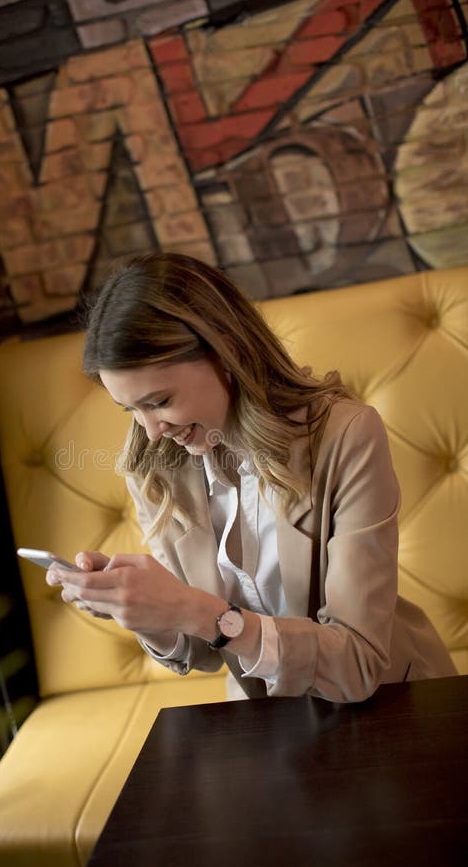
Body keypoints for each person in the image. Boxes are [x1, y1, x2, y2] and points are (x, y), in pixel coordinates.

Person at [46, 252, 456, 702]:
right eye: (132, 410)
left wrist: (195, 609)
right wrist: (144, 608)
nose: (151, 430)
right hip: (267, 719)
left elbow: (356, 665)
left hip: (393, 702)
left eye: (159, 401)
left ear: (228, 351)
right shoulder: (156, 464)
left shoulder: (346, 437)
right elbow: (203, 650)